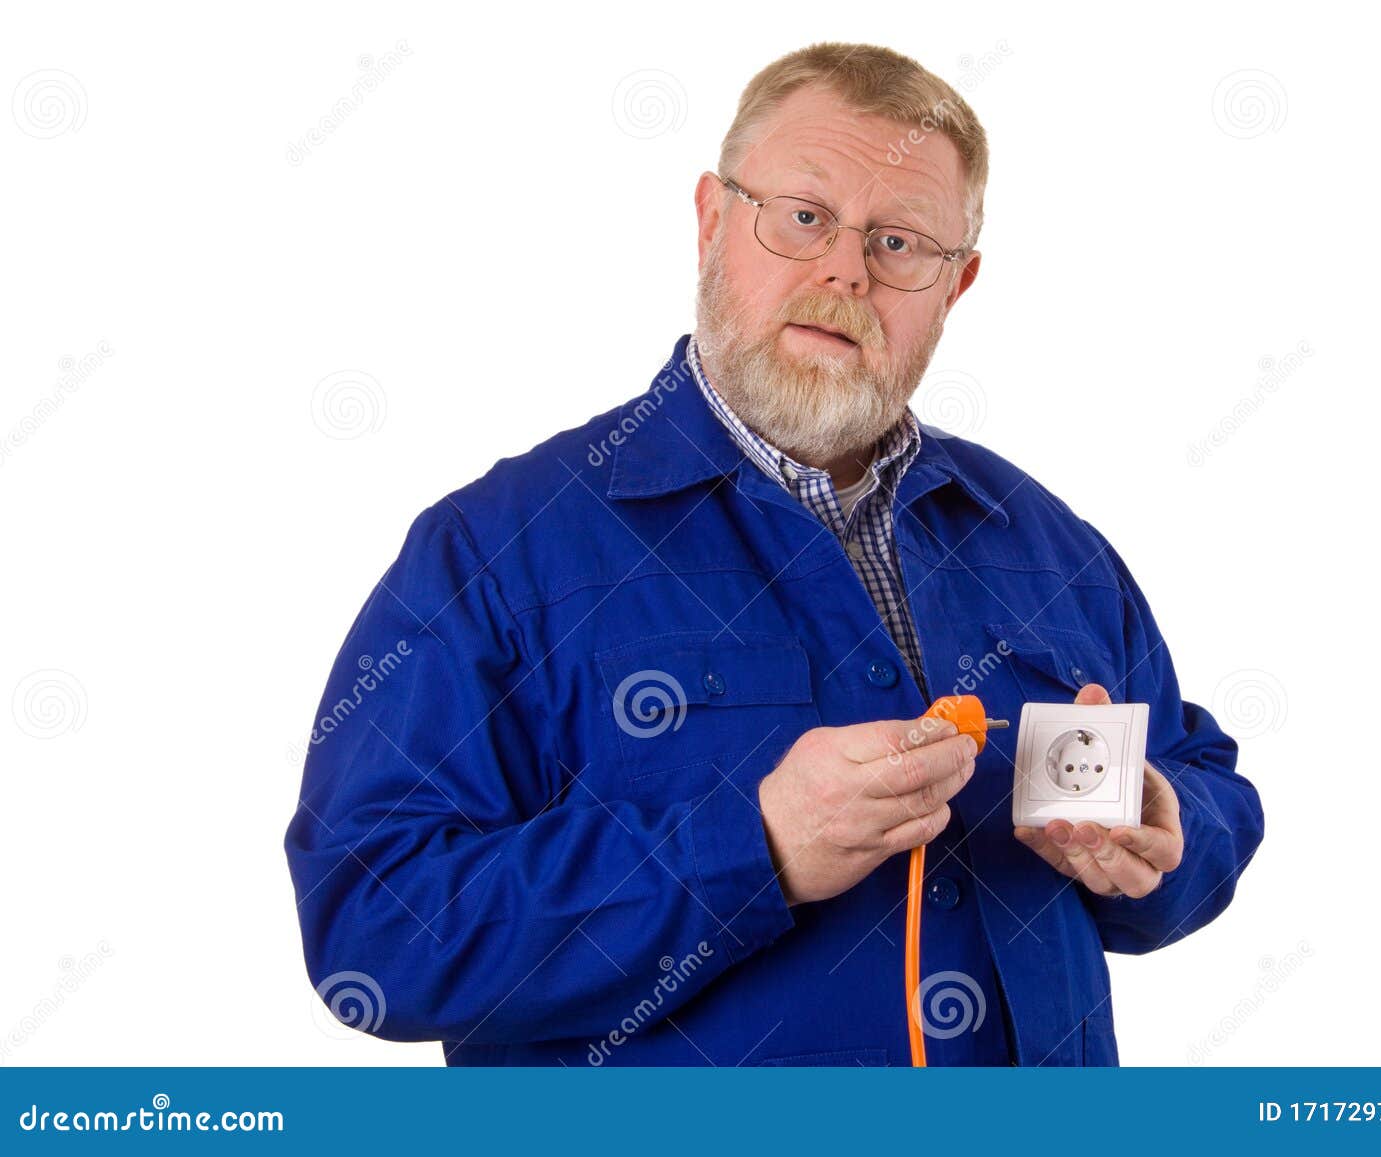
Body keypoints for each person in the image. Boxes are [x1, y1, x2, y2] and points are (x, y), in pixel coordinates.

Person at [285, 40, 1265, 1067]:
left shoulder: (1046, 545)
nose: (844, 268)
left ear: (956, 284)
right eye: (802, 218)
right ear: (712, 221)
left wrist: (1164, 829)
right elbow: (374, 930)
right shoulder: (500, 550)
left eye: (899, 243)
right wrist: (750, 848)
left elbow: (1202, 782)